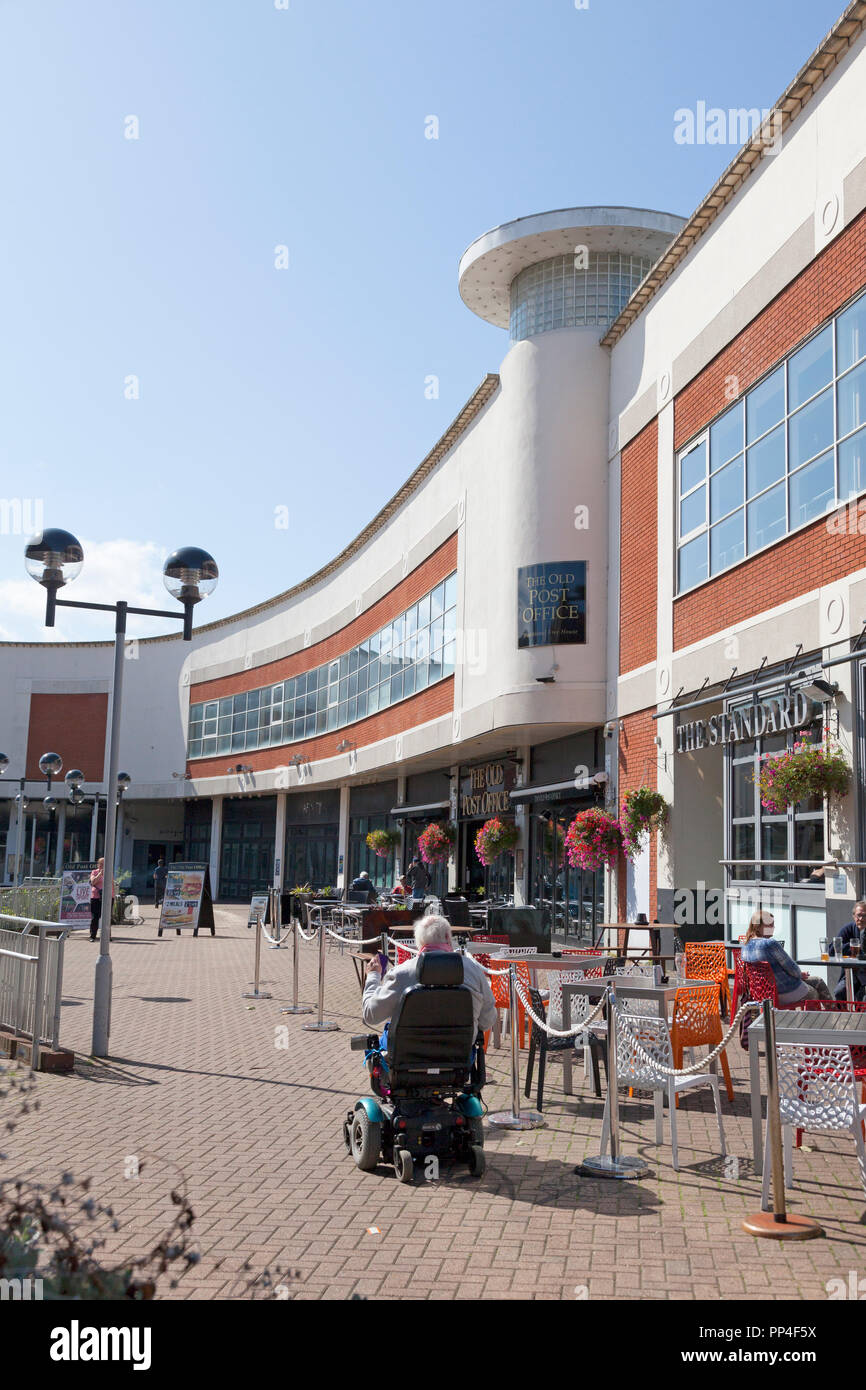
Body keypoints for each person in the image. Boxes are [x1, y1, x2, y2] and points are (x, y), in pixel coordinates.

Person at [362, 914, 497, 1053]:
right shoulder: (473, 970)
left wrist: (373, 976)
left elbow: (371, 1015)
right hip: (458, 1056)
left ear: (418, 942)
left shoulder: (401, 974)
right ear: (448, 938)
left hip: (409, 1056)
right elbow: (488, 1019)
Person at [742, 909, 832, 1004]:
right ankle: (831, 1015)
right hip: (785, 991)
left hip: (763, 993)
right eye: (770, 925)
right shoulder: (770, 943)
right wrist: (799, 974)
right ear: (758, 927)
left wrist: (799, 975)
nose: (774, 927)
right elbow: (793, 969)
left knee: (817, 981)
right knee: (814, 991)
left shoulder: (745, 945)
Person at [832, 900, 866, 1002]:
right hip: (851, 974)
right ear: (853, 916)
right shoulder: (848, 929)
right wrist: (852, 946)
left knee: (864, 998)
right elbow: (832, 949)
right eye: (859, 915)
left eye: (864, 916)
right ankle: (844, 1016)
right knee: (839, 992)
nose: (861, 919)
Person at [89, 857, 112, 943]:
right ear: (98, 864)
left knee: (107, 917)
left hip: (107, 898)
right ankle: (92, 936)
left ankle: (107, 936)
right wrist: (100, 874)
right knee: (95, 917)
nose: (103, 866)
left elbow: (111, 884)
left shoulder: (109, 873)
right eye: (101, 864)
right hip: (96, 897)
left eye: (104, 864)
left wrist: (112, 897)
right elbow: (93, 882)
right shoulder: (94, 872)